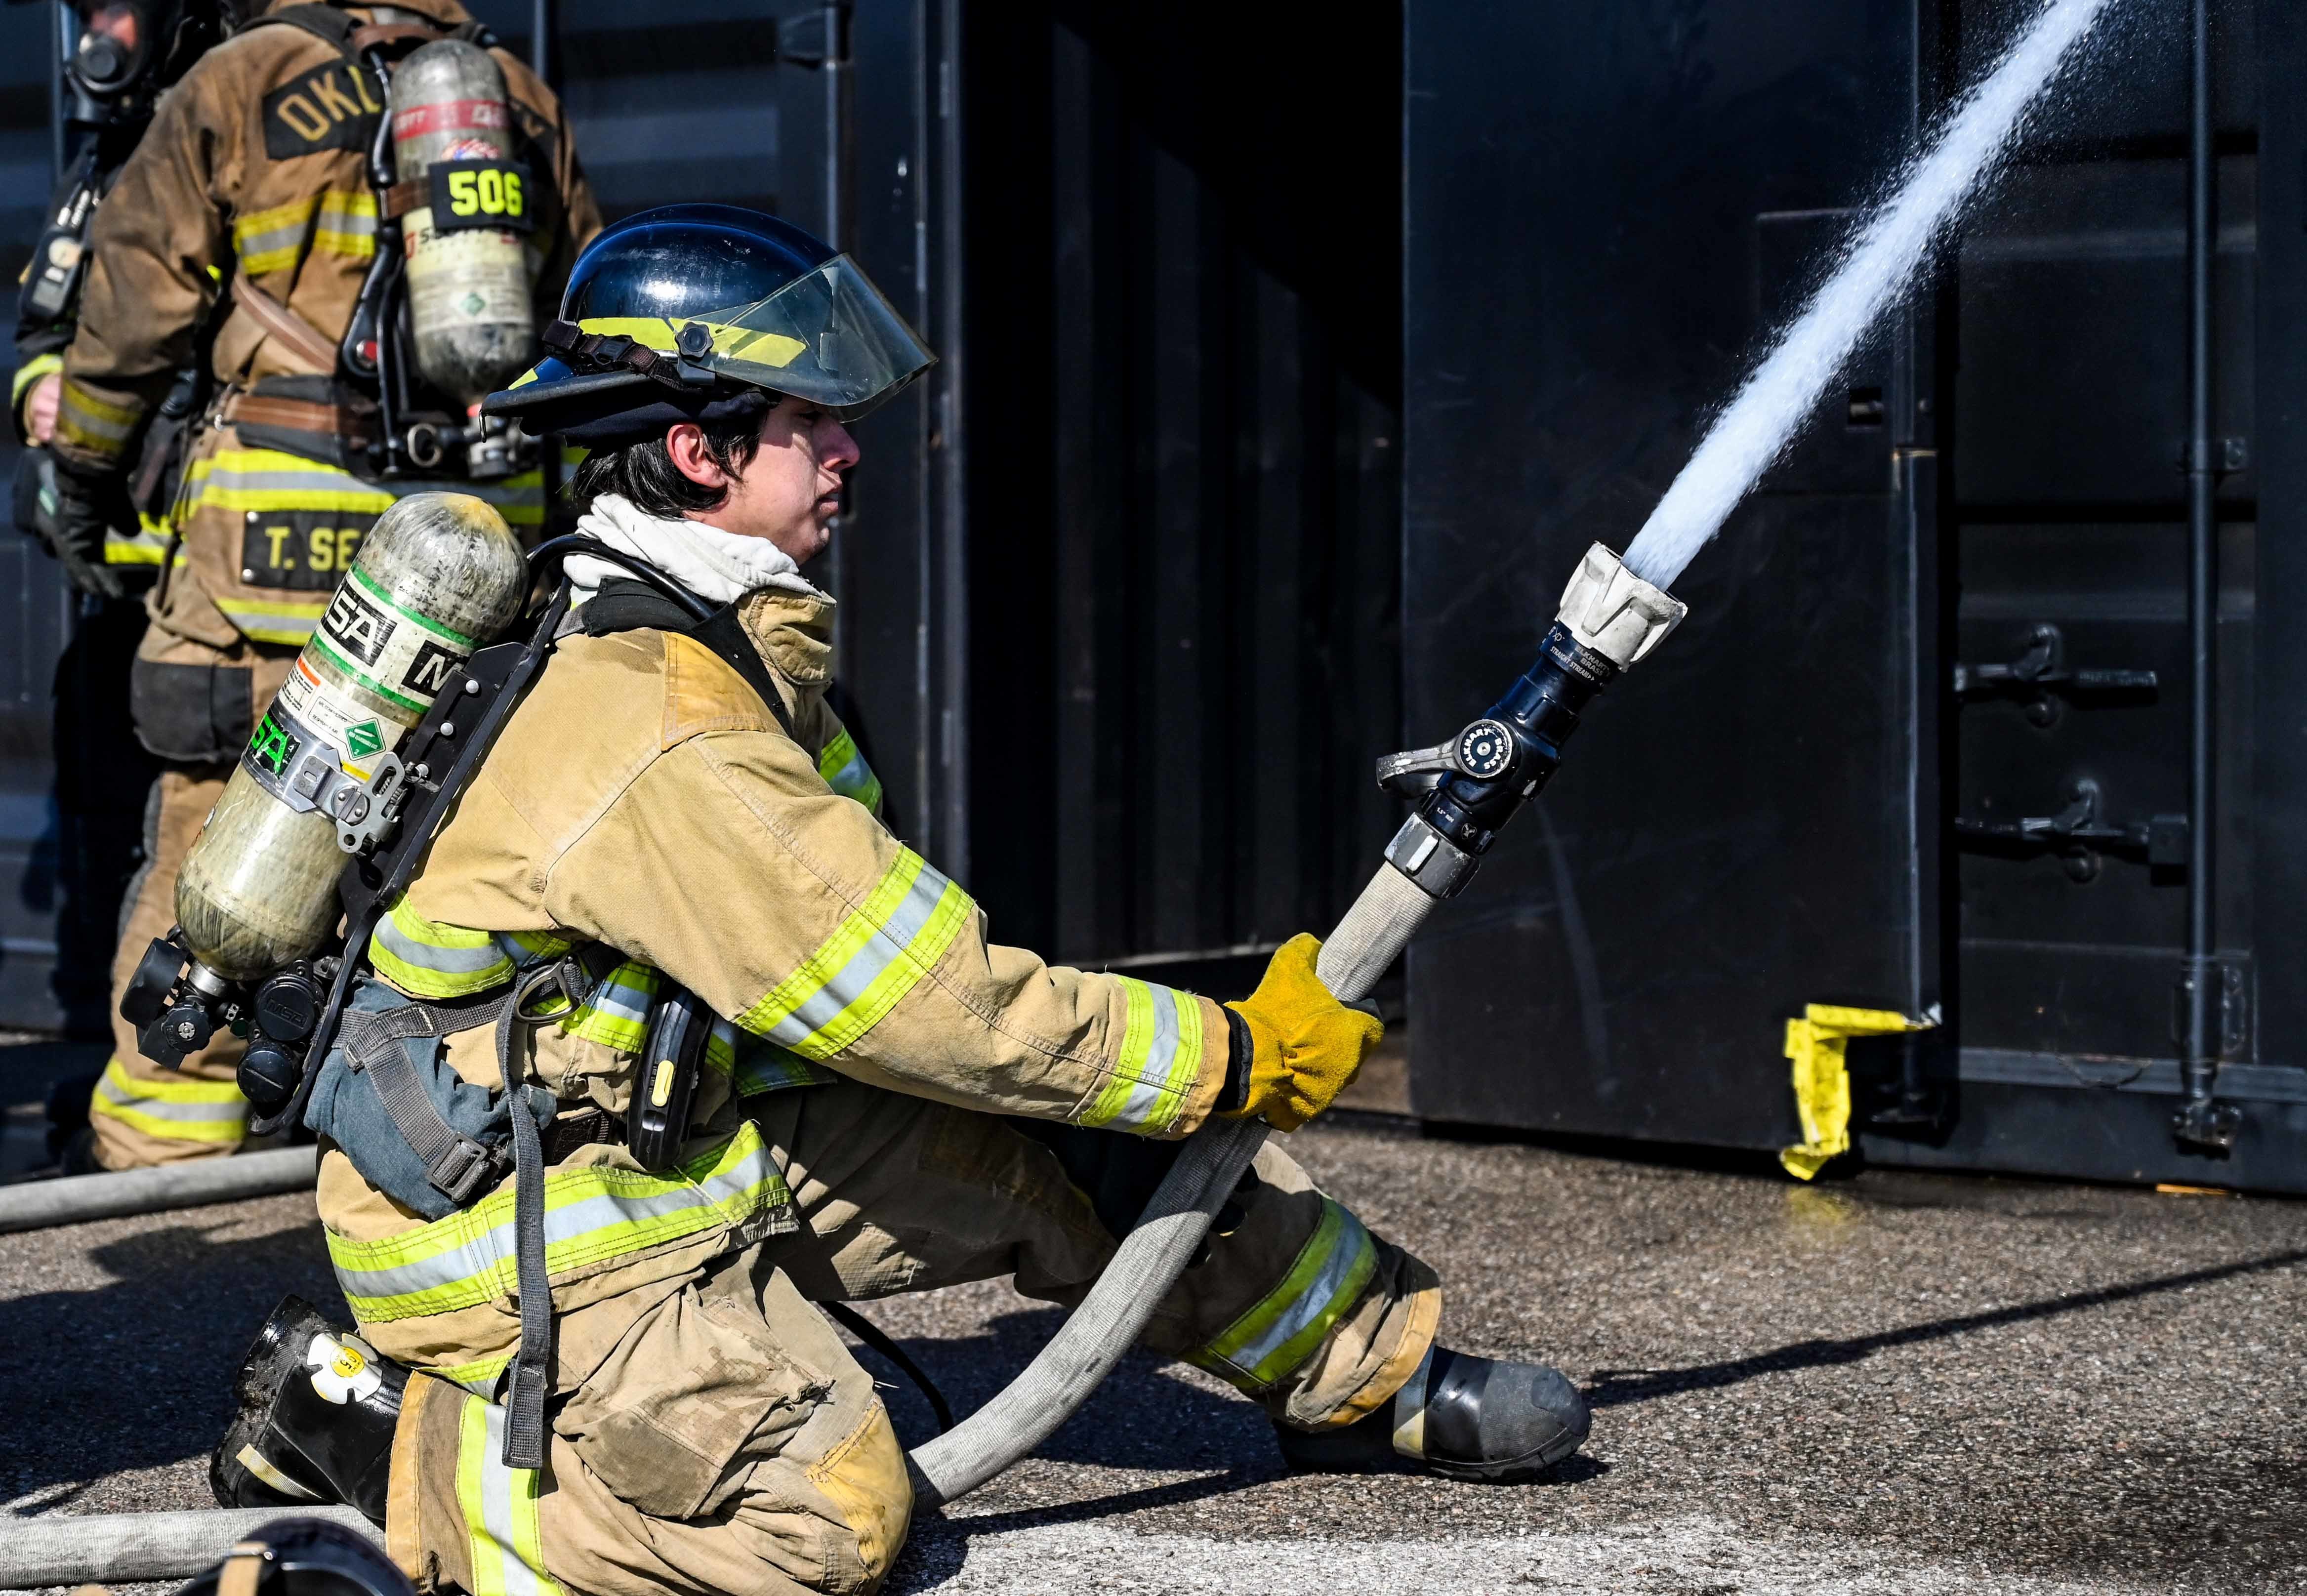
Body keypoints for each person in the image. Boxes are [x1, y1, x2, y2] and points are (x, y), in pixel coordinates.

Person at [211, 206, 1593, 1596]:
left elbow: (896, 974)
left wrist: (1134, 1074)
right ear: (701, 454)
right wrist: (1233, 1052)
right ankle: (366, 1436)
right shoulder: (662, 721)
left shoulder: (715, 641)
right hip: (522, 1211)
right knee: (825, 1525)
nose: (848, 450)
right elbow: (929, 1003)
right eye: (813, 424)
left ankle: (1358, 1377)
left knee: (1077, 1134)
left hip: (669, 1129)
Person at [45, 0, 599, 1171]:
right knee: (445, 834)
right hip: (465, 552)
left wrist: (80, 485)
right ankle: (426, 1136)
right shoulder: (515, 97)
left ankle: (165, 1157)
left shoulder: (241, 80)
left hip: (266, 553)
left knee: (221, 820)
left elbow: (130, 311)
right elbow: (580, 326)